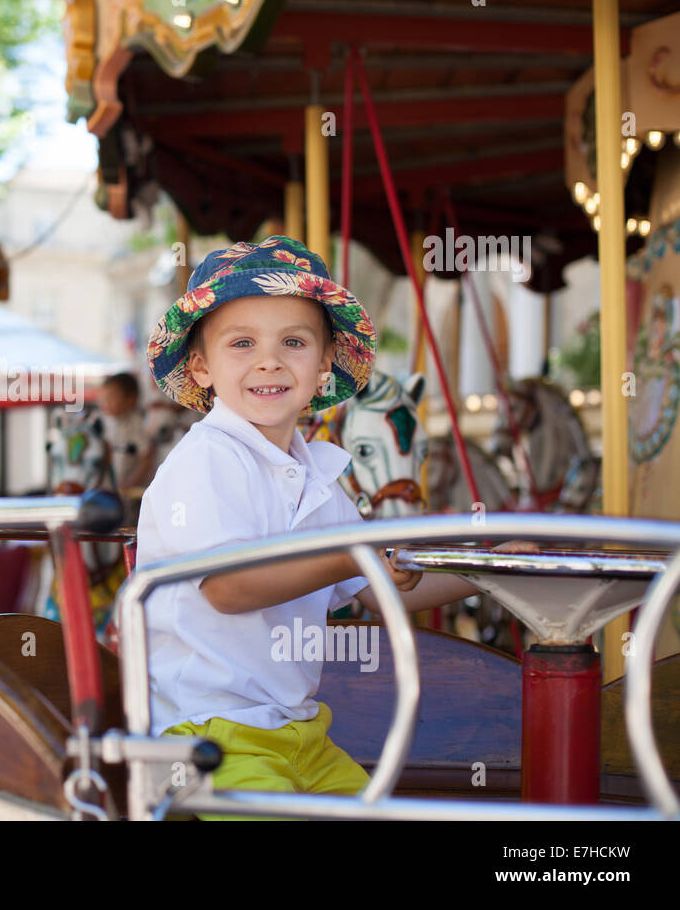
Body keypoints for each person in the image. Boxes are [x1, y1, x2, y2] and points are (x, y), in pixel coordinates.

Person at [139, 236, 533, 814]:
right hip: (203, 735)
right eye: (242, 343)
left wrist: (493, 566)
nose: (269, 362)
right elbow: (227, 588)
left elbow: (388, 590)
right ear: (201, 365)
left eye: (293, 343)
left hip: (300, 733)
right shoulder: (206, 460)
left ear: (324, 363)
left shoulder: (316, 476)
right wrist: (352, 555)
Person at [98, 372, 150, 491]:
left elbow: (147, 457)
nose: (105, 402)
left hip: (128, 490)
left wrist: (131, 483)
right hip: (107, 488)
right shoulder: (101, 422)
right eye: (103, 398)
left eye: (111, 397)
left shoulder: (136, 424)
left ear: (131, 399)